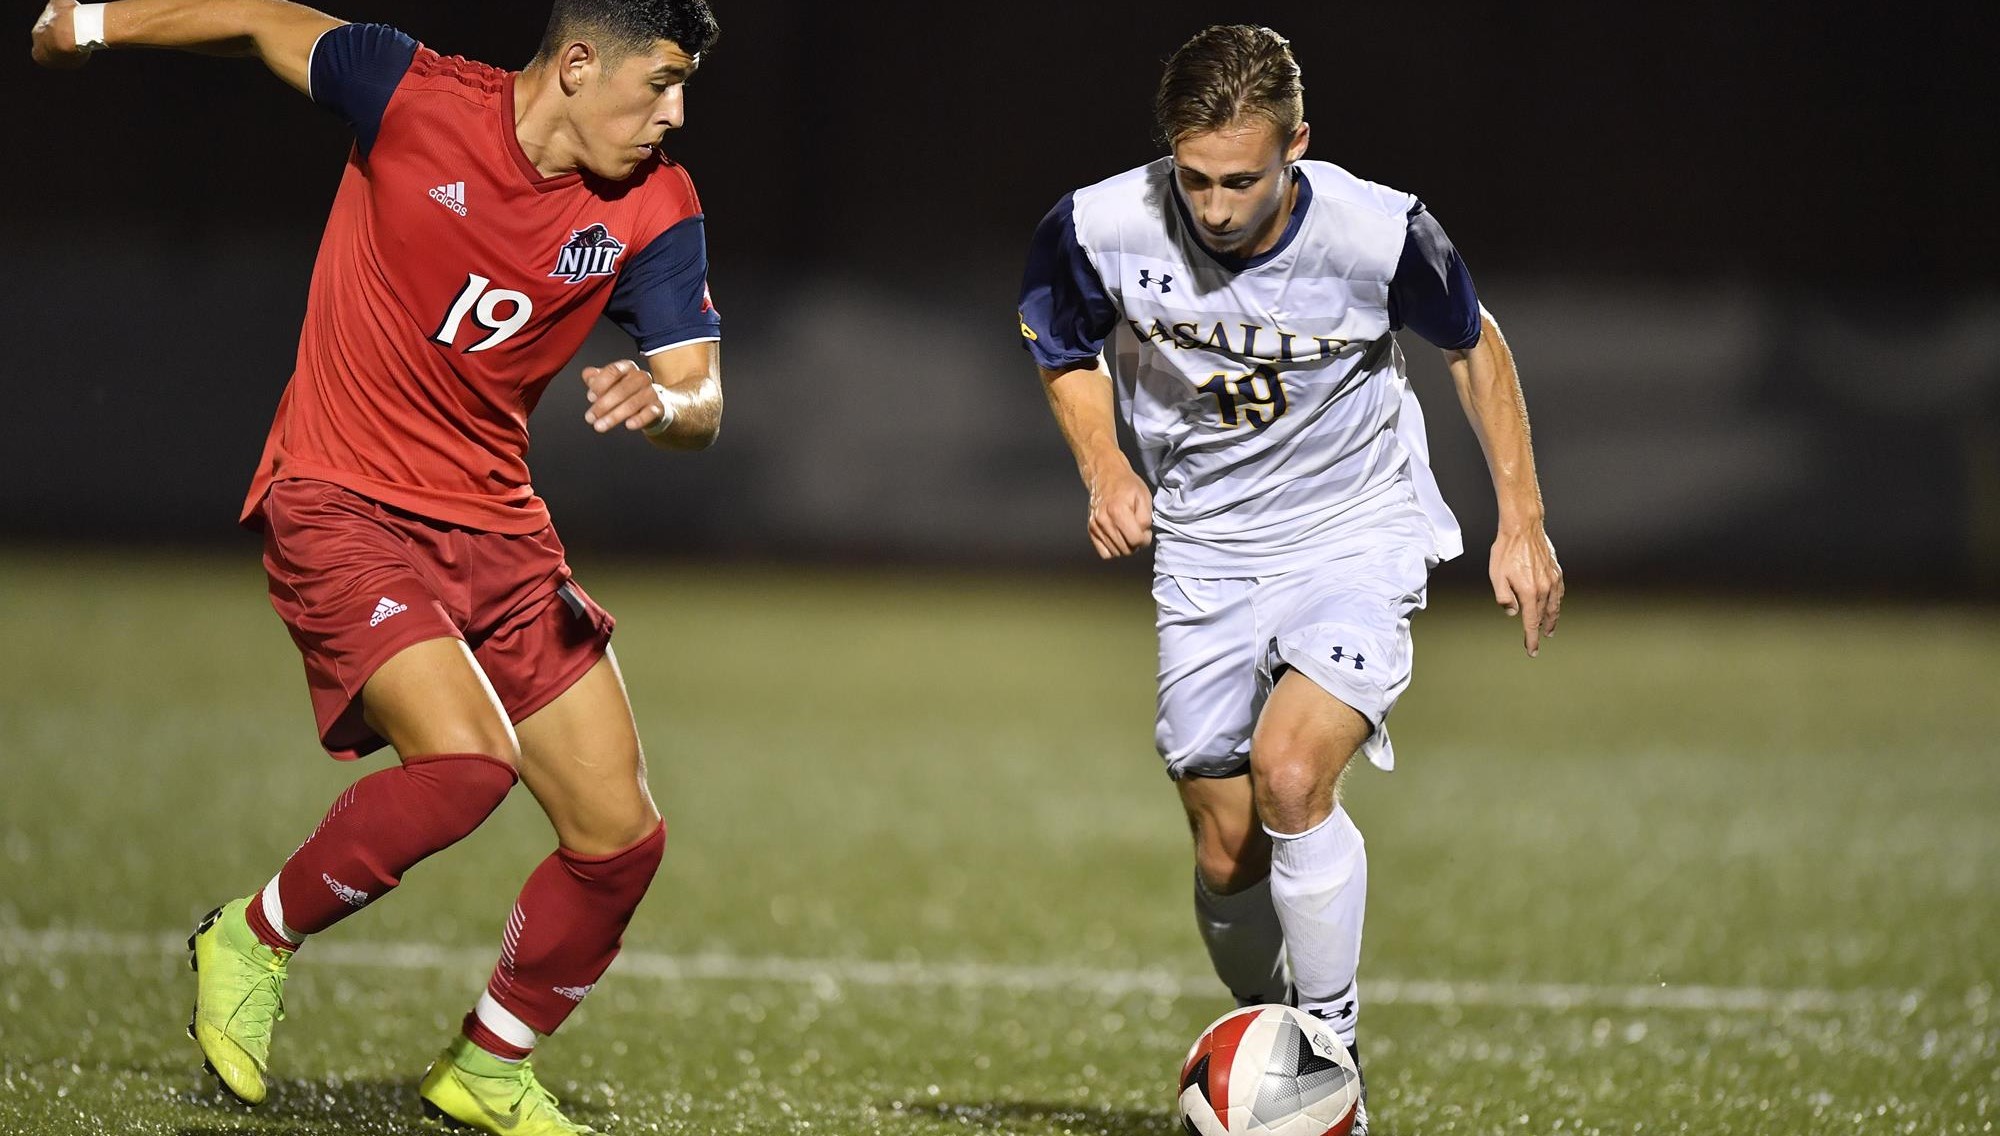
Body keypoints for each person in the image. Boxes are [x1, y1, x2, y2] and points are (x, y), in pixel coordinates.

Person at [32, 0, 723, 1131]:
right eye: (659, 82)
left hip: (499, 533)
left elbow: (702, 392)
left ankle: (488, 1064)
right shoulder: (411, 93)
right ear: (580, 60)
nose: (673, 113)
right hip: (340, 498)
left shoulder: (654, 205)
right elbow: (260, 20)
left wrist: (668, 401)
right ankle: (251, 936)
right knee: (464, 765)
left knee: (618, 836)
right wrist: (97, 20)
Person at [1017, 24, 1563, 1133]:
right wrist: (1105, 464)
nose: (1214, 206)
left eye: (1242, 179)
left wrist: (1522, 522)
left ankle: (1332, 1062)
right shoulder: (1095, 226)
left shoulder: (1378, 231)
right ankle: (1276, 1042)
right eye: (1194, 177)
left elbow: (1473, 345)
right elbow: (1058, 340)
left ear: (1296, 147)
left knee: (1291, 771)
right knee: (1226, 851)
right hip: (1208, 552)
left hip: (1351, 534)